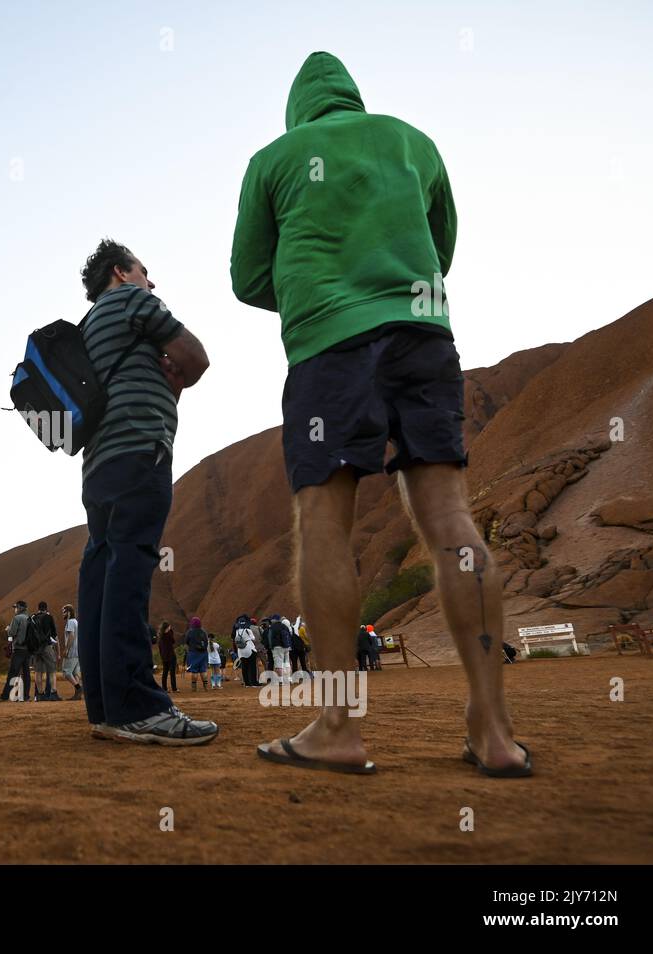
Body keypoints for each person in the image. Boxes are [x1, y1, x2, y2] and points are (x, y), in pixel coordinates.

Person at [232, 52, 529, 776]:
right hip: (423, 334)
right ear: (354, 96)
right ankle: (493, 731)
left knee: (325, 521)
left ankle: (339, 725)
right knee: (451, 519)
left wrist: (319, 286)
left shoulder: (275, 159)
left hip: (328, 348)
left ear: (298, 108)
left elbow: (247, 278)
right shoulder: (411, 141)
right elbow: (442, 245)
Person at [74, 240, 216, 746]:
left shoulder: (88, 324)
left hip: (99, 466)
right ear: (120, 271)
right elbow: (196, 359)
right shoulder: (132, 301)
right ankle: (138, 706)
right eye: (143, 271)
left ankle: (106, 708)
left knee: (102, 576)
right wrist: (178, 374)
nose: (151, 282)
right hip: (139, 451)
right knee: (130, 573)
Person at [1, 600, 34, 702]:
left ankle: (5, 695)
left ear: (20, 608)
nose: (15, 609)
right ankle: (26, 696)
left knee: (13, 672)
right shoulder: (30, 618)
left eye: (16, 607)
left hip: (19, 649)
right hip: (28, 650)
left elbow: (12, 632)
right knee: (26, 673)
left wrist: (8, 629)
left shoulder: (17, 618)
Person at [29, 601, 60, 700]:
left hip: (36, 649)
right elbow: (54, 633)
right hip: (46, 646)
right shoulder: (48, 617)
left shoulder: (33, 618)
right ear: (46, 608)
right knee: (51, 671)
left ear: (38, 608)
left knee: (38, 672)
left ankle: (40, 694)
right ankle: (53, 693)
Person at [60, 604, 82, 701]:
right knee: (75, 672)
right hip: (78, 651)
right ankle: (78, 694)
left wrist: (67, 649)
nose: (63, 614)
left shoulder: (70, 622)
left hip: (72, 651)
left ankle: (79, 688)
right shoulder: (76, 621)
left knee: (66, 672)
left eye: (64, 612)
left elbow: (71, 636)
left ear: (68, 612)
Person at [184, 618, 209, 692]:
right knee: (203, 670)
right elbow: (206, 642)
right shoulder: (203, 632)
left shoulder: (190, 632)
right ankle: (205, 687)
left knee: (194, 671)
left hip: (193, 653)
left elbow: (186, 642)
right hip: (203, 653)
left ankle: (194, 687)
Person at [234, 616, 259, 687]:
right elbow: (253, 638)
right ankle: (254, 682)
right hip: (249, 648)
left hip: (241, 651)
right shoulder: (248, 630)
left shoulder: (237, 631)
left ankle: (247, 683)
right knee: (252, 666)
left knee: (244, 667)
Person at [157, 620, 178, 693]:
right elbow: (173, 641)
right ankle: (174, 688)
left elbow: (160, 648)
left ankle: (164, 688)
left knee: (165, 672)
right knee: (172, 673)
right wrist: (171, 631)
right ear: (167, 627)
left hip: (164, 656)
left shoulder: (160, 636)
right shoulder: (169, 635)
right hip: (171, 656)